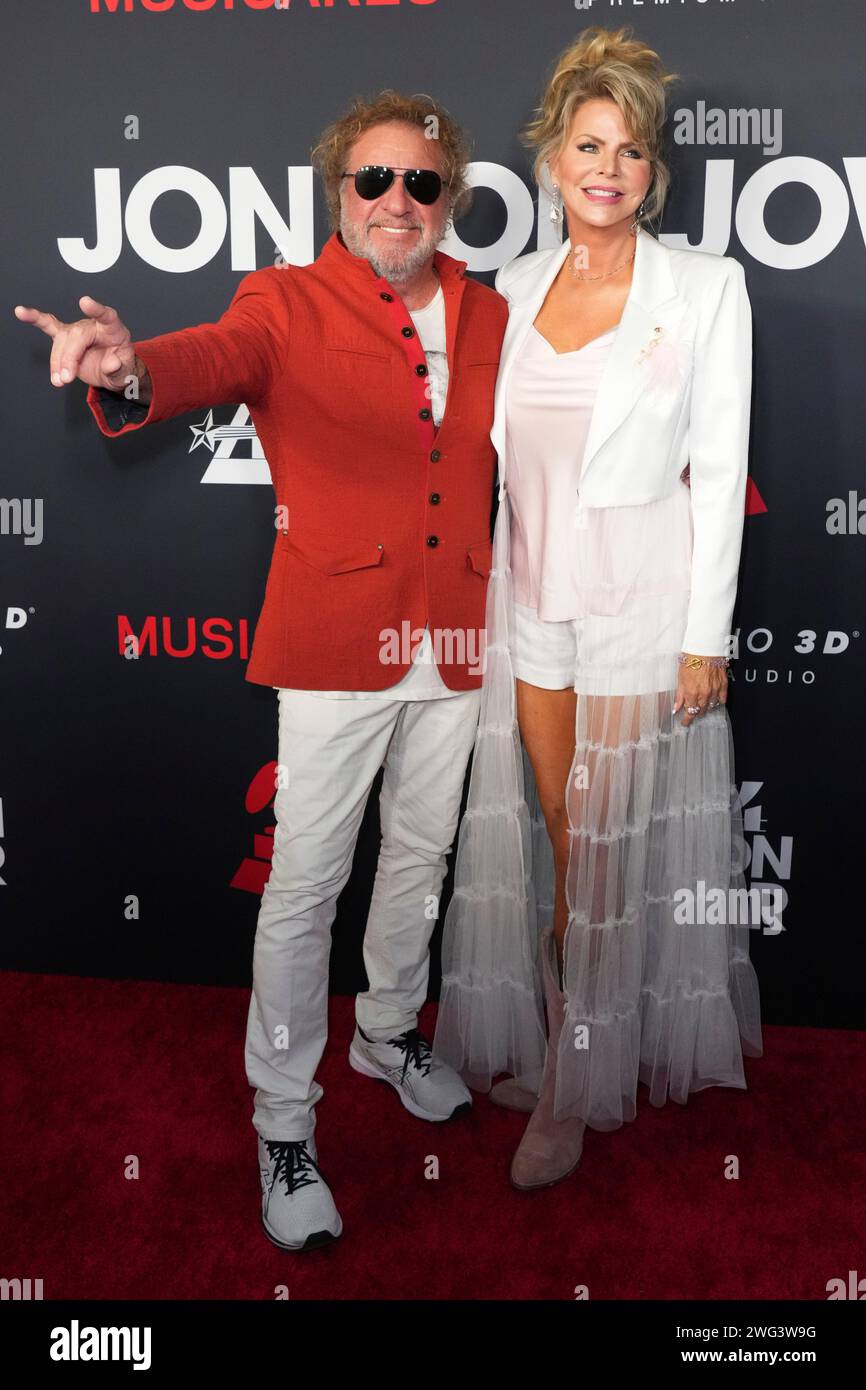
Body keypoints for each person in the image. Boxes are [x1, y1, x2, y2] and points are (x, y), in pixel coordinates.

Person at [15, 90, 508, 1249]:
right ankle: (284, 1120)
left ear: (451, 199)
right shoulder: (284, 300)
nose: (398, 201)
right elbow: (211, 358)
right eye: (373, 181)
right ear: (337, 193)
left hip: (458, 636)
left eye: (421, 183)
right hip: (336, 643)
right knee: (304, 887)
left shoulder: (491, 312)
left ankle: (388, 1034)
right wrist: (131, 366)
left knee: (424, 853)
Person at [433, 27, 763, 1190]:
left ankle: (574, 1086)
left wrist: (701, 637)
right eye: (586, 144)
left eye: (626, 149)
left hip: (637, 602)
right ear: (550, 160)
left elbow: (720, 471)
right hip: (531, 597)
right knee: (562, 839)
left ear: (650, 169)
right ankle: (587, 1040)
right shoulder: (508, 290)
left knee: (606, 858)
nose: (605, 167)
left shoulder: (704, 288)